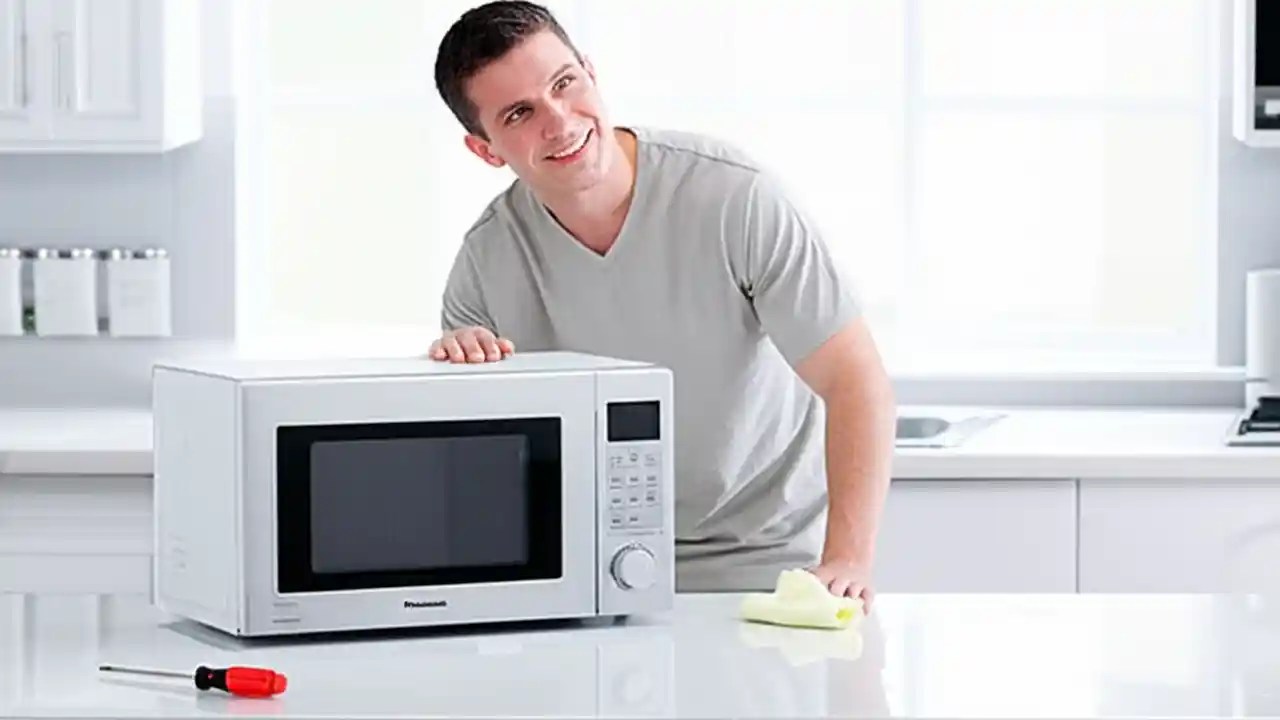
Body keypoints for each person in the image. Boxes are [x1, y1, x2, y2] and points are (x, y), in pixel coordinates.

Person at [429, 1, 895, 607]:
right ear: (486, 149)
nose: (560, 121)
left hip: (767, 566)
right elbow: (482, 471)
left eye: (564, 83)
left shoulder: (734, 198)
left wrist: (847, 560)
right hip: (585, 575)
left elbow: (854, 379)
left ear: (590, 72)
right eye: (520, 113)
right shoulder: (485, 263)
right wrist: (457, 378)